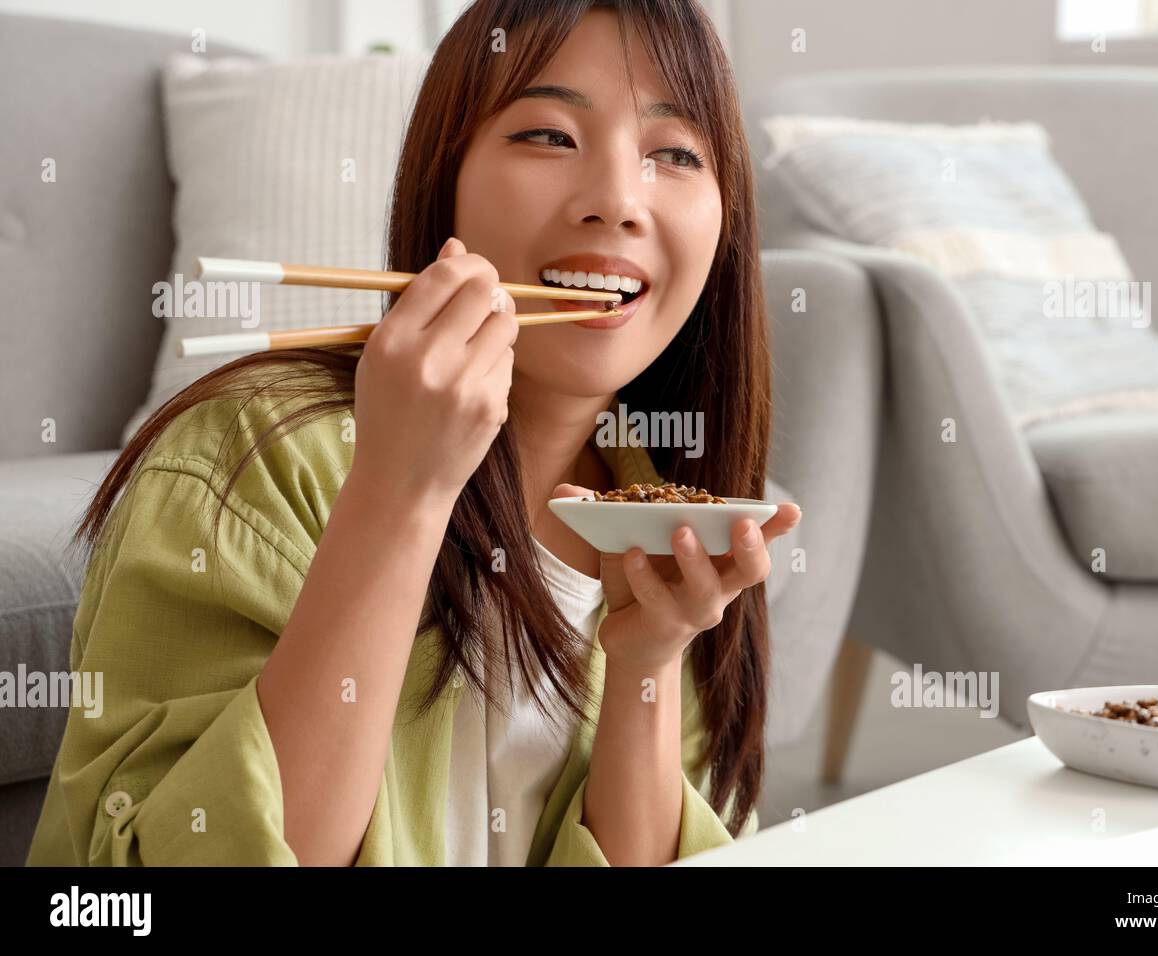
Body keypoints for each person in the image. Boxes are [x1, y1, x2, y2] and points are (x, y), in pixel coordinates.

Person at [27, 0, 800, 867]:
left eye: (675, 153)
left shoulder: (667, 516)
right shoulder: (243, 456)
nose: (618, 200)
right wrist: (402, 493)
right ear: (447, 179)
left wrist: (648, 659)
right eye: (548, 135)